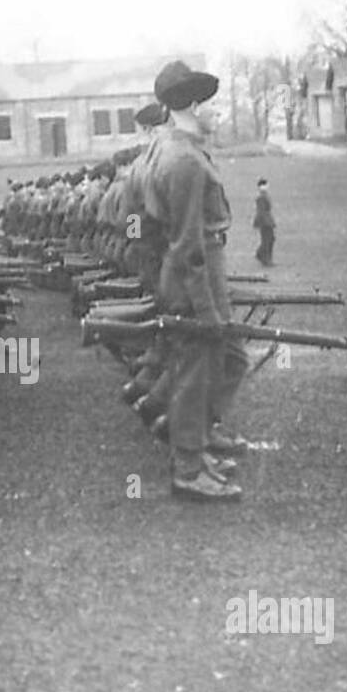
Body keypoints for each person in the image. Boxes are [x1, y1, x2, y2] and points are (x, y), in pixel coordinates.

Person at [143, 60, 244, 502]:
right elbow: (187, 243)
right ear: (194, 105)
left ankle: (195, 453)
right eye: (213, 108)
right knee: (194, 371)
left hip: (194, 267)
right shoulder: (183, 159)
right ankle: (187, 469)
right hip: (194, 272)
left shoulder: (177, 148)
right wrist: (206, 307)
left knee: (202, 365)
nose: (216, 115)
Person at [253, 177, 276, 266]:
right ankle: (265, 258)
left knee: (269, 239)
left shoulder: (264, 196)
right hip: (265, 222)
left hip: (267, 221)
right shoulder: (261, 198)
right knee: (267, 240)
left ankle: (263, 256)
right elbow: (261, 211)